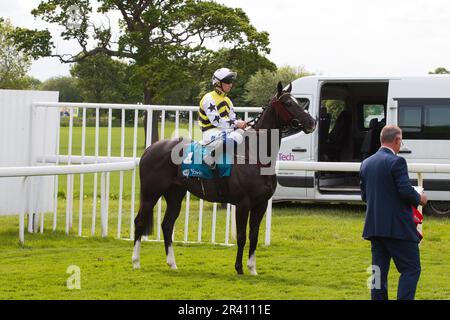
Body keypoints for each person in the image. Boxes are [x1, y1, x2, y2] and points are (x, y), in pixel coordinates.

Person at [360, 125, 428, 300]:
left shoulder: (366, 163)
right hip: (398, 228)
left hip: (374, 227)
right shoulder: (397, 161)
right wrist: (420, 198)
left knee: (377, 273)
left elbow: (365, 196)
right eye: (401, 141)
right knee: (411, 269)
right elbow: (405, 191)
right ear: (397, 140)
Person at [198, 67, 247, 168]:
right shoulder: (209, 98)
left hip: (224, 132)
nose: (231, 84)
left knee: (243, 133)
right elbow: (217, 122)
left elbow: (232, 119)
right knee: (236, 136)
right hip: (210, 132)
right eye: (228, 81)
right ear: (218, 83)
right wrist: (237, 123)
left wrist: (241, 125)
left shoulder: (228, 100)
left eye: (231, 81)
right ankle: (209, 156)